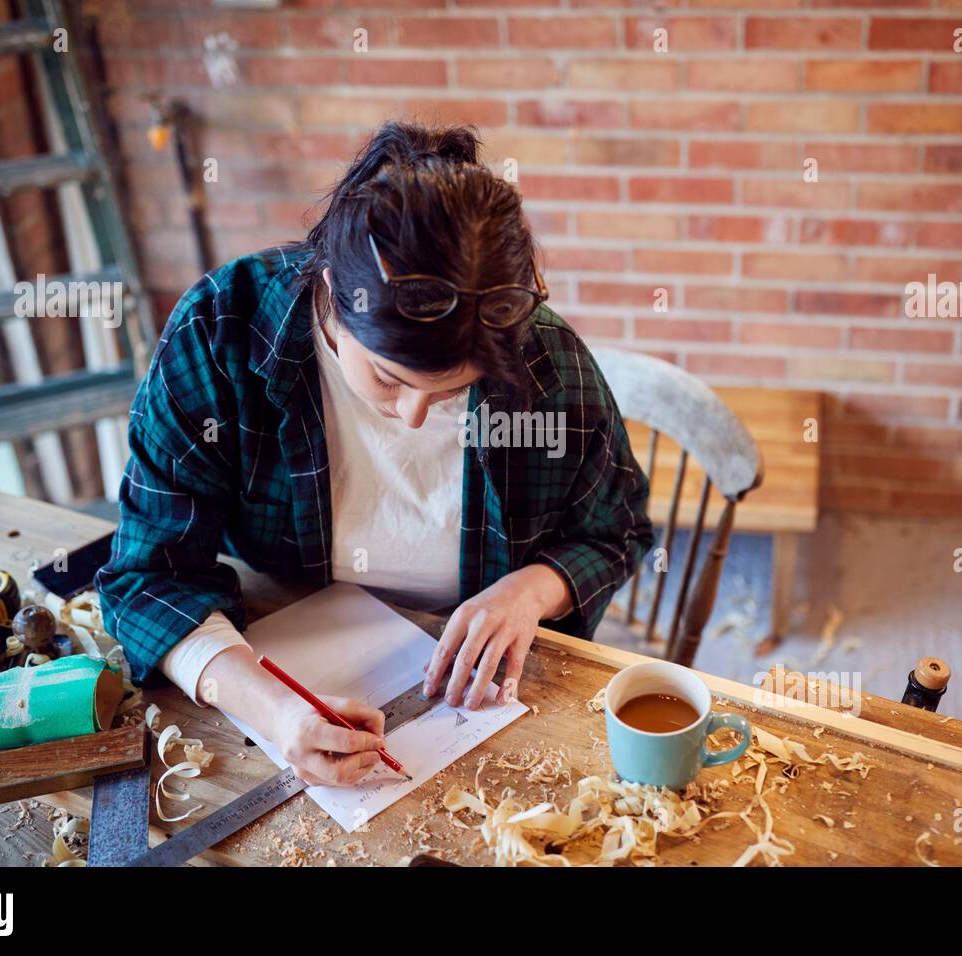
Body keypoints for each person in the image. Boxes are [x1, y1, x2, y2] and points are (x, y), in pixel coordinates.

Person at [96, 121, 653, 788]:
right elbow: (145, 577)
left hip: (475, 688)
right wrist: (270, 712)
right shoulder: (222, 333)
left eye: (453, 391)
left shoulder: (545, 362)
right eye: (388, 379)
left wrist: (529, 591)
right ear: (332, 292)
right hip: (283, 648)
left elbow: (618, 528)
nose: (414, 416)